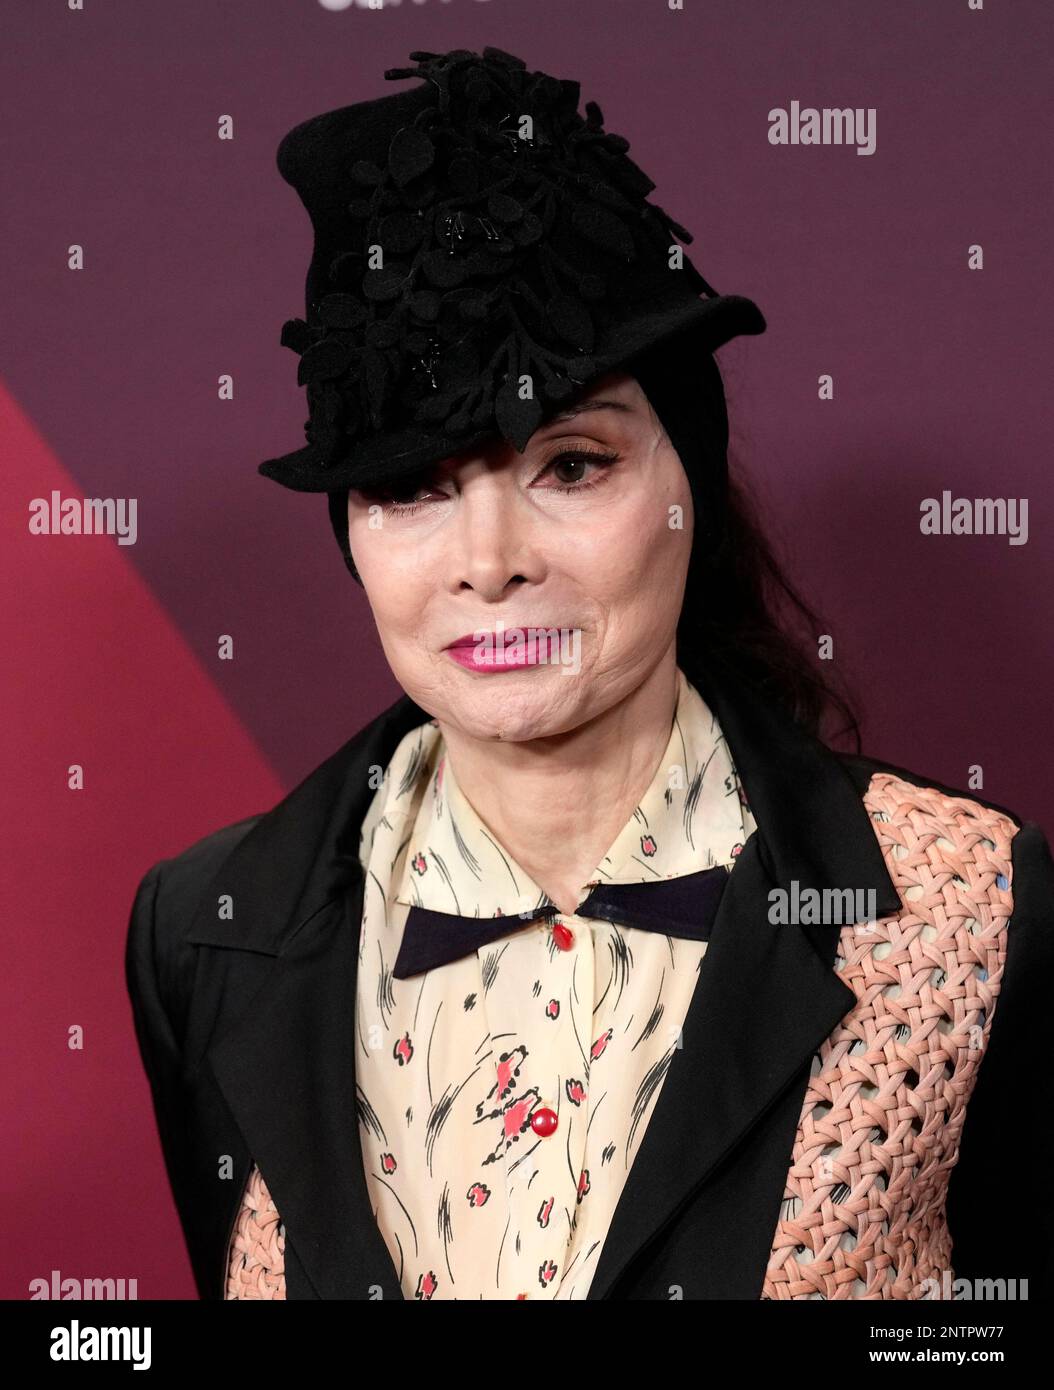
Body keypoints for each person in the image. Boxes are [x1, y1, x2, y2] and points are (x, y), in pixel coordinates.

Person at [125, 46, 1054, 1301]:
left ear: (689, 485)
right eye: (412, 487)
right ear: (349, 531)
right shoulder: (205, 929)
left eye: (570, 465)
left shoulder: (970, 908)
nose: (491, 562)